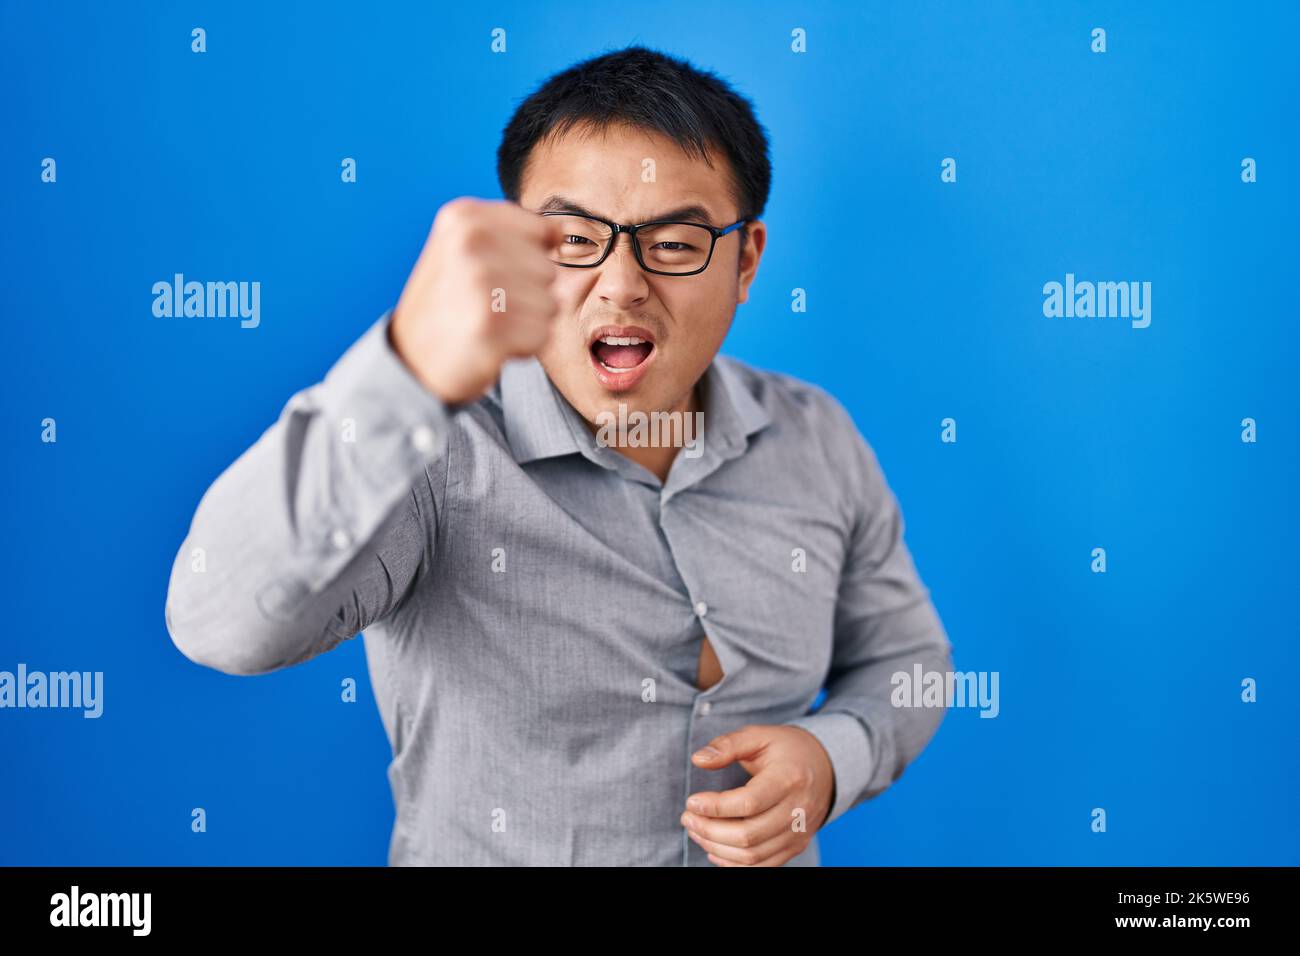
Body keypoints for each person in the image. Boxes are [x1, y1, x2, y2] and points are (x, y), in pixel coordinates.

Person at [164, 44, 953, 866]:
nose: (620, 284)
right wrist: (402, 373)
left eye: (675, 244)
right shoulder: (433, 453)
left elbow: (911, 659)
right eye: (575, 238)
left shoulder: (816, 435)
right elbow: (219, 626)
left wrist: (833, 760)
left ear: (746, 259)